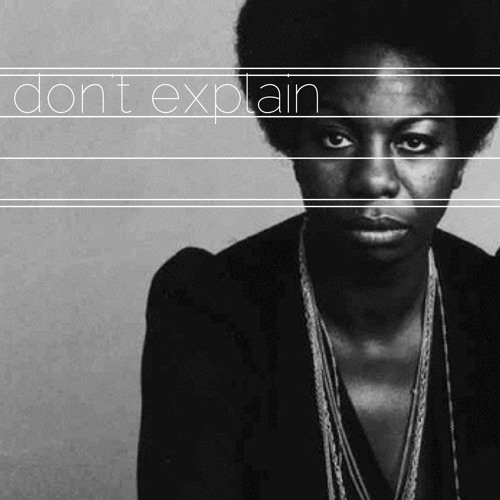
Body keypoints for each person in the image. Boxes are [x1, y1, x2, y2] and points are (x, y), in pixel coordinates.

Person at [138, 1, 500, 498]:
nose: (374, 180)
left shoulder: (491, 305)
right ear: (293, 146)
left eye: (414, 142)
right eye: (335, 137)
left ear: (459, 159)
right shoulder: (211, 313)